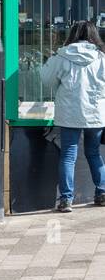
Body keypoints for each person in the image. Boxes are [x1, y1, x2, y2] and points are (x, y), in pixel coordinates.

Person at [39, 21, 105, 212]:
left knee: (68, 156)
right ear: (94, 35)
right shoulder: (101, 57)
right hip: (95, 115)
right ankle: (101, 193)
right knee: (94, 154)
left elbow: (47, 80)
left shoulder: (62, 56)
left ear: (72, 35)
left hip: (69, 114)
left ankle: (66, 199)